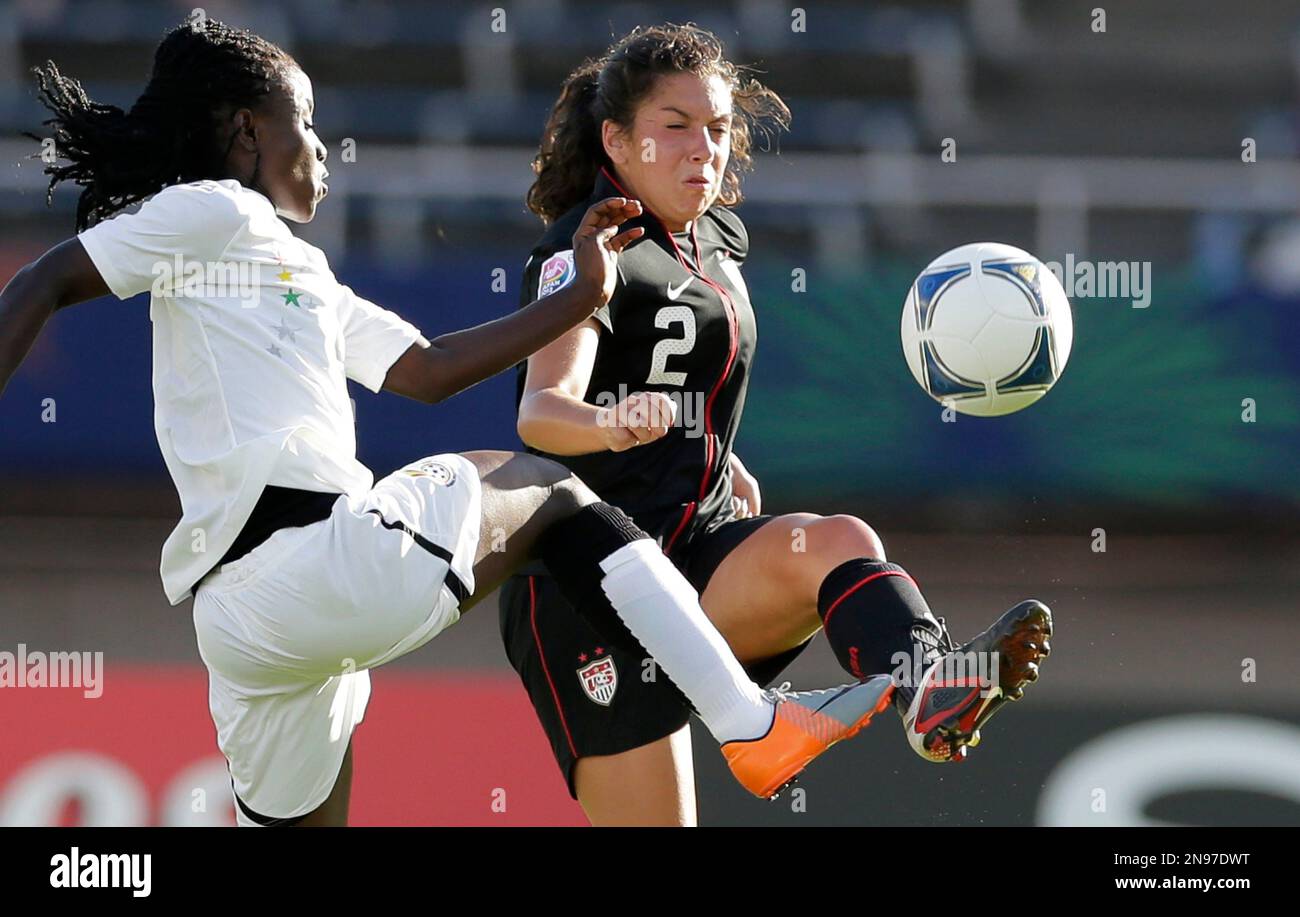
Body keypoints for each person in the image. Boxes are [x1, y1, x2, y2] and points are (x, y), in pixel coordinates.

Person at [0, 18, 898, 827]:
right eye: (304, 124)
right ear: (245, 133)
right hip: (317, 562)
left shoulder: (288, 269)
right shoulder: (217, 208)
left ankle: (749, 723)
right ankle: (752, 725)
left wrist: (580, 296)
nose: (322, 148)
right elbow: (43, 281)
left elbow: (429, 371)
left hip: (251, 626)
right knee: (550, 489)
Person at [500, 23, 1054, 826]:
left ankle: (930, 685)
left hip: (697, 547)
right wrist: (612, 422)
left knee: (837, 540)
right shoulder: (587, 252)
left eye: (719, 129)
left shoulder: (716, 238)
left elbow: (690, 376)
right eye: (677, 127)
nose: (705, 148)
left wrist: (723, 459)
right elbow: (541, 414)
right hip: (592, 592)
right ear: (617, 139)